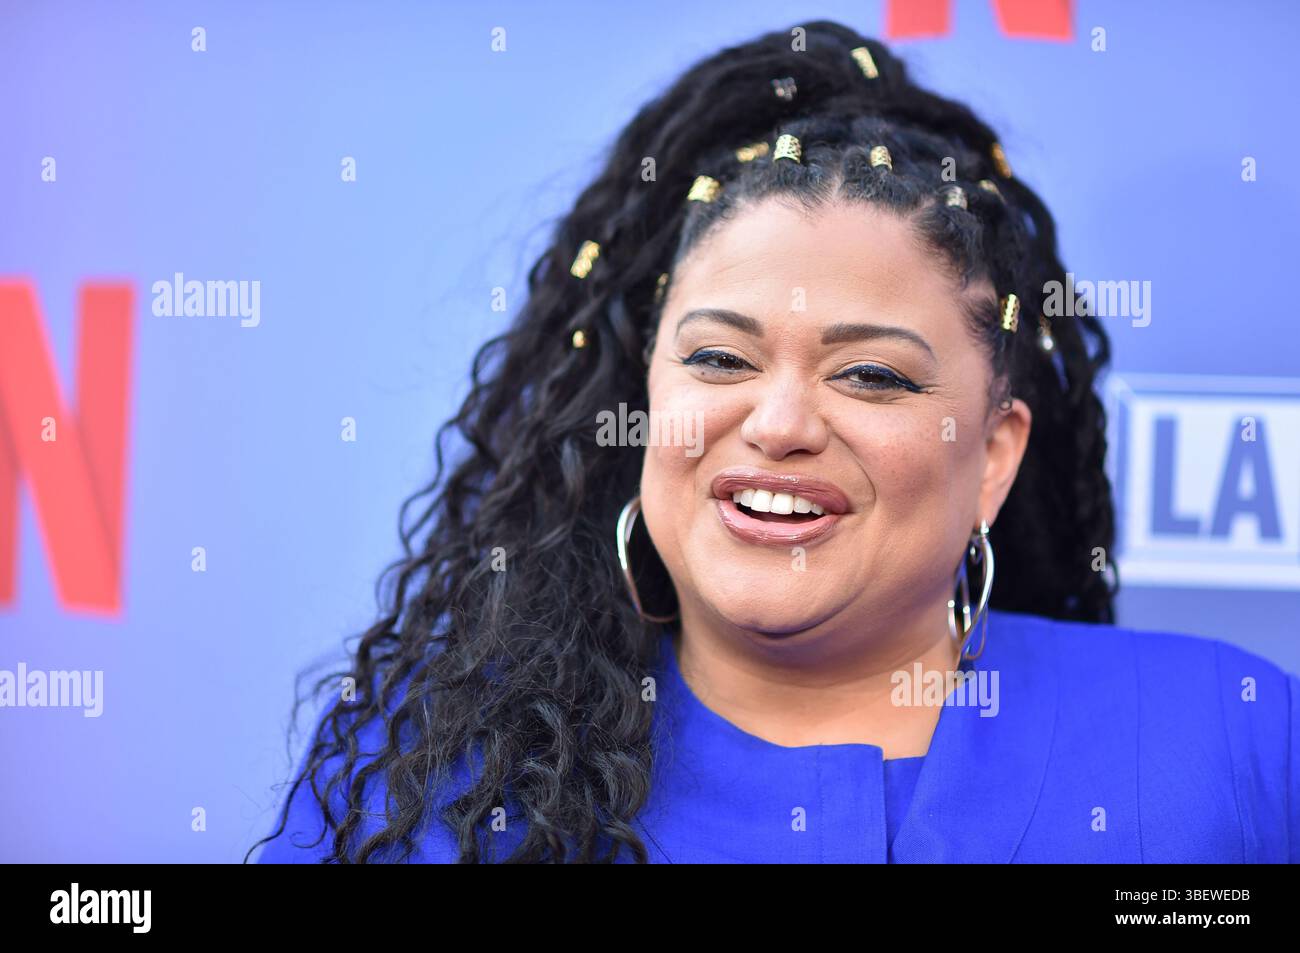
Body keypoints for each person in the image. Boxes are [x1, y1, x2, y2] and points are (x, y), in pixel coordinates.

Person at [250, 21, 1298, 863]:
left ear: (992, 452)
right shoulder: (431, 785)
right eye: (718, 359)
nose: (782, 422)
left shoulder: (1230, 737)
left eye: (871, 374)